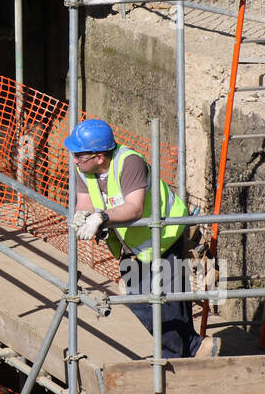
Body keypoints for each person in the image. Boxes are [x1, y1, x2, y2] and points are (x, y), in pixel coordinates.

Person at [63, 118, 219, 359]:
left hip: (165, 235)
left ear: (99, 157)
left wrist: (101, 217)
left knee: (169, 301)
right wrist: (83, 216)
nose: (74, 159)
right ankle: (193, 348)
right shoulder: (83, 169)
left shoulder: (130, 163)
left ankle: (180, 357)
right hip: (134, 245)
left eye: (80, 155)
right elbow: (84, 202)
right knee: (141, 299)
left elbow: (134, 208)